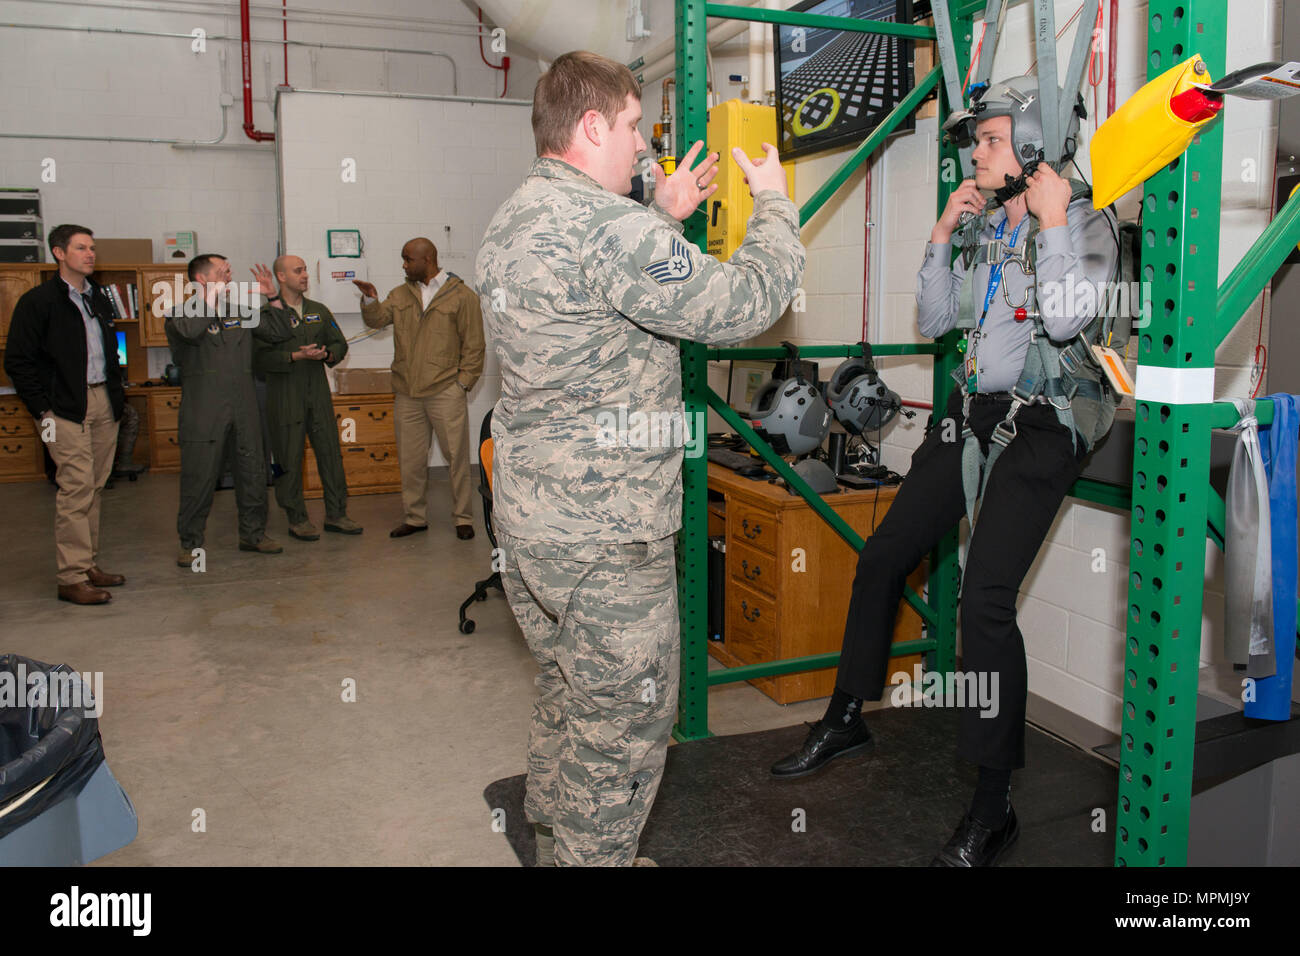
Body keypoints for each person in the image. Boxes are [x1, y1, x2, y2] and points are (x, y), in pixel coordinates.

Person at [768, 76, 1120, 867]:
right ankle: (847, 714)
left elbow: (1066, 318)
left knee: (986, 601)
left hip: (1045, 420)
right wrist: (939, 236)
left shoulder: (1090, 224)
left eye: (991, 140)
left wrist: (1055, 219)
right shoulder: (988, 229)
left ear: (1032, 146)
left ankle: (994, 808)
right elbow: (933, 321)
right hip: (974, 411)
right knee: (885, 555)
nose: (976, 153)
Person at [476, 50, 805, 866]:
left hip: (532, 525)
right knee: (622, 729)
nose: (641, 145)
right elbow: (746, 306)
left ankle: (554, 841)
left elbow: (596, 311)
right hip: (606, 535)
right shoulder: (607, 227)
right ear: (592, 125)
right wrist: (773, 206)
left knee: (568, 694)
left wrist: (657, 216)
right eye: (631, 127)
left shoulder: (515, 216)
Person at [4, 224, 126, 604]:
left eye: (92, 248)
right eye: (81, 248)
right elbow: (18, 361)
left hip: (103, 401)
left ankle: (87, 563)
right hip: (62, 409)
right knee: (75, 485)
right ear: (59, 253)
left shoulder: (99, 298)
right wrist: (43, 409)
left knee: (94, 485)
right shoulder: (38, 302)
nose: (90, 254)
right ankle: (70, 577)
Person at [165, 254, 293, 566]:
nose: (229, 276)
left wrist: (272, 296)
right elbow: (192, 331)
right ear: (202, 279)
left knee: (253, 473)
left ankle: (253, 534)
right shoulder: (178, 315)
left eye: (229, 272)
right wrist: (210, 296)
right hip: (204, 410)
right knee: (200, 478)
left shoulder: (241, 314)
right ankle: (190, 543)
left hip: (244, 407)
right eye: (222, 272)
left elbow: (281, 332)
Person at [353, 239, 484, 540]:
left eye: (408, 259)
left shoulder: (462, 296)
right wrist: (370, 300)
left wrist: (462, 384)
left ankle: (463, 517)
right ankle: (415, 517)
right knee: (411, 460)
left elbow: (475, 346)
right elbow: (376, 320)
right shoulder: (400, 295)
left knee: (457, 460)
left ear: (428, 259)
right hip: (408, 394)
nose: (404, 265)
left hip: (445, 392)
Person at [253, 255, 362, 539]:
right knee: (288, 458)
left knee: (330, 453)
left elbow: (340, 343)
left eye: (304, 270)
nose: (304, 275)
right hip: (284, 395)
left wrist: (327, 354)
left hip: (318, 393)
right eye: (297, 271)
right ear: (281, 276)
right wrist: (293, 356)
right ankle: (296, 517)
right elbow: (258, 359)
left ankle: (337, 514)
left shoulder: (319, 310)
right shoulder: (265, 316)